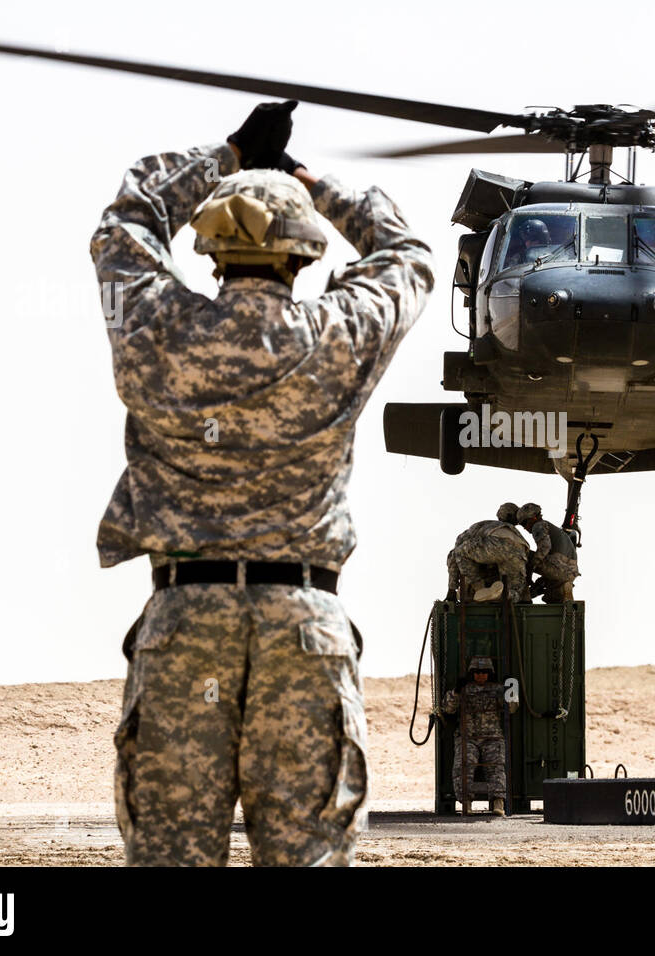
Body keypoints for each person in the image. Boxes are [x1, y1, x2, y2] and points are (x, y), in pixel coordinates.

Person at [93, 99, 434, 866]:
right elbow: (407, 255)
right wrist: (310, 180)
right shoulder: (339, 335)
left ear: (211, 251)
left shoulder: (156, 327)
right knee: (310, 855)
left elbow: (126, 222)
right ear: (307, 255)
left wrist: (234, 154)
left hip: (184, 623)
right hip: (303, 625)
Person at [442, 656, 518, 815]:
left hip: (492, 738)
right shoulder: (464, 689)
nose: (481, 675)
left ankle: (498, 803)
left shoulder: (497, 690)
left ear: (490, 673)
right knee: (463, 767)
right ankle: (466, 803)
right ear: (472, 673)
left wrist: (509, 689)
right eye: (477, 672)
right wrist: (456, 691)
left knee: (497, 767)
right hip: (468, 738)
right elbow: (448, 709)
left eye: (484, 672)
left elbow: (512, 708)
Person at [445, 502, 529, 602]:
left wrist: (451, 589)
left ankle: (480, 590)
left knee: (459, 552)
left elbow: (454, 555)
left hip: (496, 544)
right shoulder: (514, 531)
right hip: (520, 549)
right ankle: (503, 594)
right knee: (514, 591)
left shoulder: (484, 525)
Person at [517, 502, 580, 602]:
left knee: (520, 553)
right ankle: (562, 589)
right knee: (549, 597)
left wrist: (530, 570)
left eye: (524, 523)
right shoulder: (556, 530)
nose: (525, 528)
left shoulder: (538, 525)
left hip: (557, 568)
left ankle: (522, 592)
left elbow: (544, 547)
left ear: (533, 518)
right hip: (569, 573)